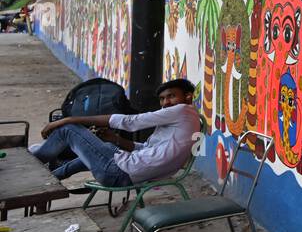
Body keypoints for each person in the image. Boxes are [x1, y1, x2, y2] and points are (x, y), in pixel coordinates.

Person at [31, 78, 201, 188]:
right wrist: (115, 139)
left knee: (69, 129)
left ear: (188, 96)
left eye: (171, 96)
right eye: (162, 99)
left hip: (119, 173)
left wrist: (67, 119)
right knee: (106, 146)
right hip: (126, 174)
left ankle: (31, 160)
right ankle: (48, 182)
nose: (165, 103)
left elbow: (130, 122)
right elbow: (145, 149)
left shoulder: (182, 111)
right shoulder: (186, 120)